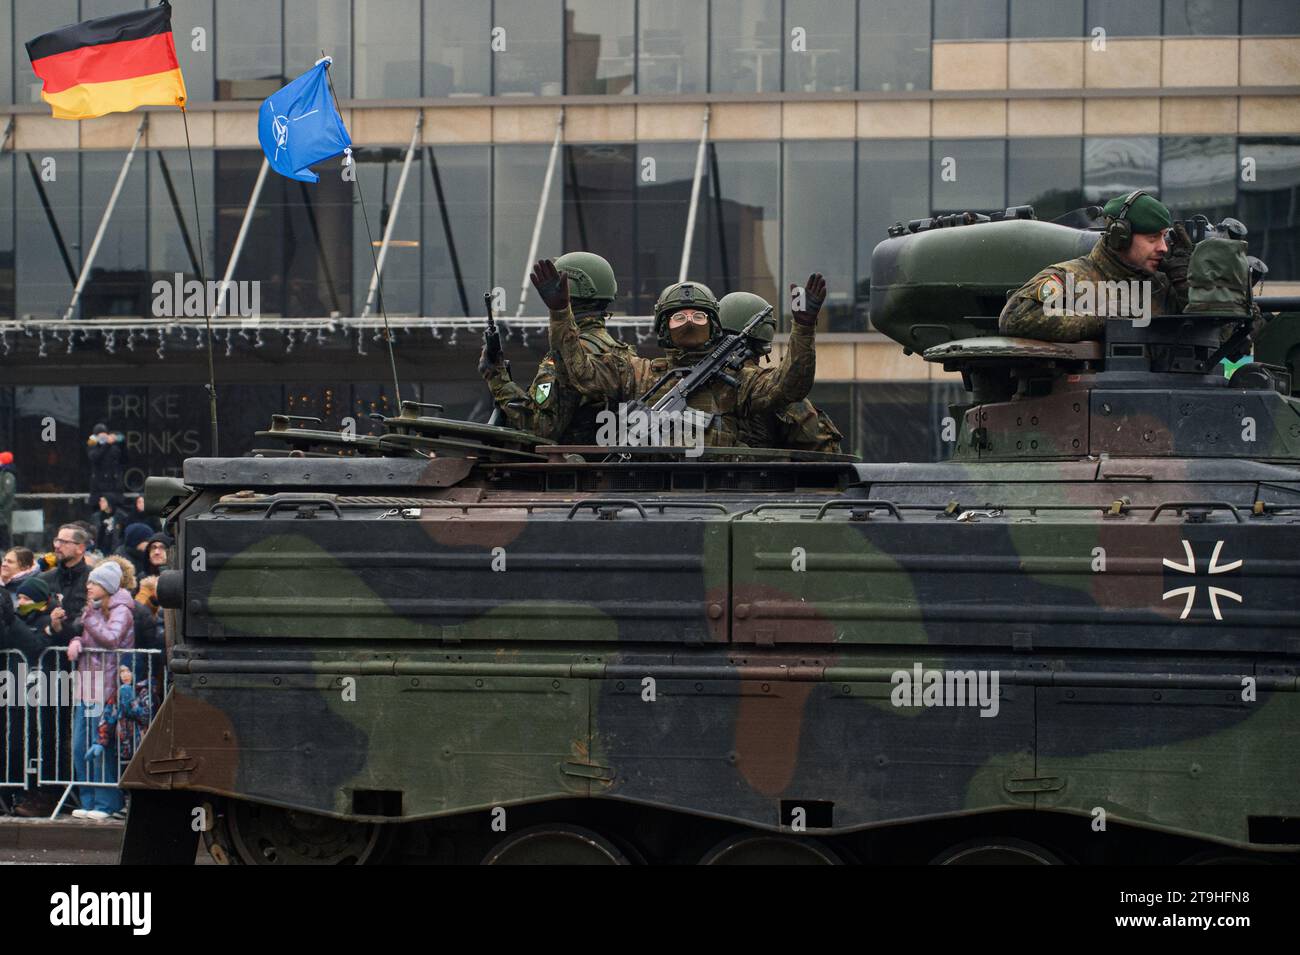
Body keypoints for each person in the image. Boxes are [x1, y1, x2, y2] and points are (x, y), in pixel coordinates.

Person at [537, 260, 824, 448]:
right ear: (664, 327)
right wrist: (561, 313)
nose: (689, 322)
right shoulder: (637, 373)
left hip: (721, 489)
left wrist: (803, 327)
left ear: (713, 325)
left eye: (698, 316)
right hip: (649, 489)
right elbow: (580, 374)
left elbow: (791, 386)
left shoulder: (738, 381)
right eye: (679, 317)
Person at [480, 251, 637, 443]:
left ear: (566, 290)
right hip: (603, 463)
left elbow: (541, 428)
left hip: (569, 467)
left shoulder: (567, 355)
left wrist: (498, 379)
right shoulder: (621, 352)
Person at [999, 190, 1192, 342]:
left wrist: (1187, 283)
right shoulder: (1071, 278)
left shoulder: (1164, 285)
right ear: (1120, 237)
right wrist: (1104, 320)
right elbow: (1016, 317)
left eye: (1163, 236)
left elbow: (1216, 339)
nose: (1163, 248)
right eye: (1152, 238)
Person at [717, 291, 844, 453]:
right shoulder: (769, 389)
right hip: (761, 478)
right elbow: (823, 452)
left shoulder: (693, 381)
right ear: (764, 336)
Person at [68, 558, 133, 820]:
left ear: (107, 586)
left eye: (94, 582)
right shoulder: (94, 610)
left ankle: (106, 803)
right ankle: (88, 799)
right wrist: (75, 640)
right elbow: (91, 637)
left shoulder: (121, 610)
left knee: (100, 745)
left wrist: (90, 619)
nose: (88, 586)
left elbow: (112, 639)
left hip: (106, 688)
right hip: (86, 686)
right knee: (79, 745)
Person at [41, 524, 93, 635]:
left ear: (80, 548)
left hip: (81, 646)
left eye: (64, 542)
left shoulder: (94, 578)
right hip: (49, 645)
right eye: (57, 540)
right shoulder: (44, 579)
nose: (57, 546)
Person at [85, 424, 125, 512]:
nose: (103, 438)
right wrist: (105, 444)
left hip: (113, 487)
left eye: (104, 435)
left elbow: (122, 439)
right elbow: (94, 457)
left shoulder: (114, 447)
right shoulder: (92, 444)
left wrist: (114, 438)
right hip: (98, 488)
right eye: (100, 436)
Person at [0, 451, 15, 550]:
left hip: (3, 514)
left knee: (5, 535)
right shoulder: (2, 474)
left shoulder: (8, 476)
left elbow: (6, 493)